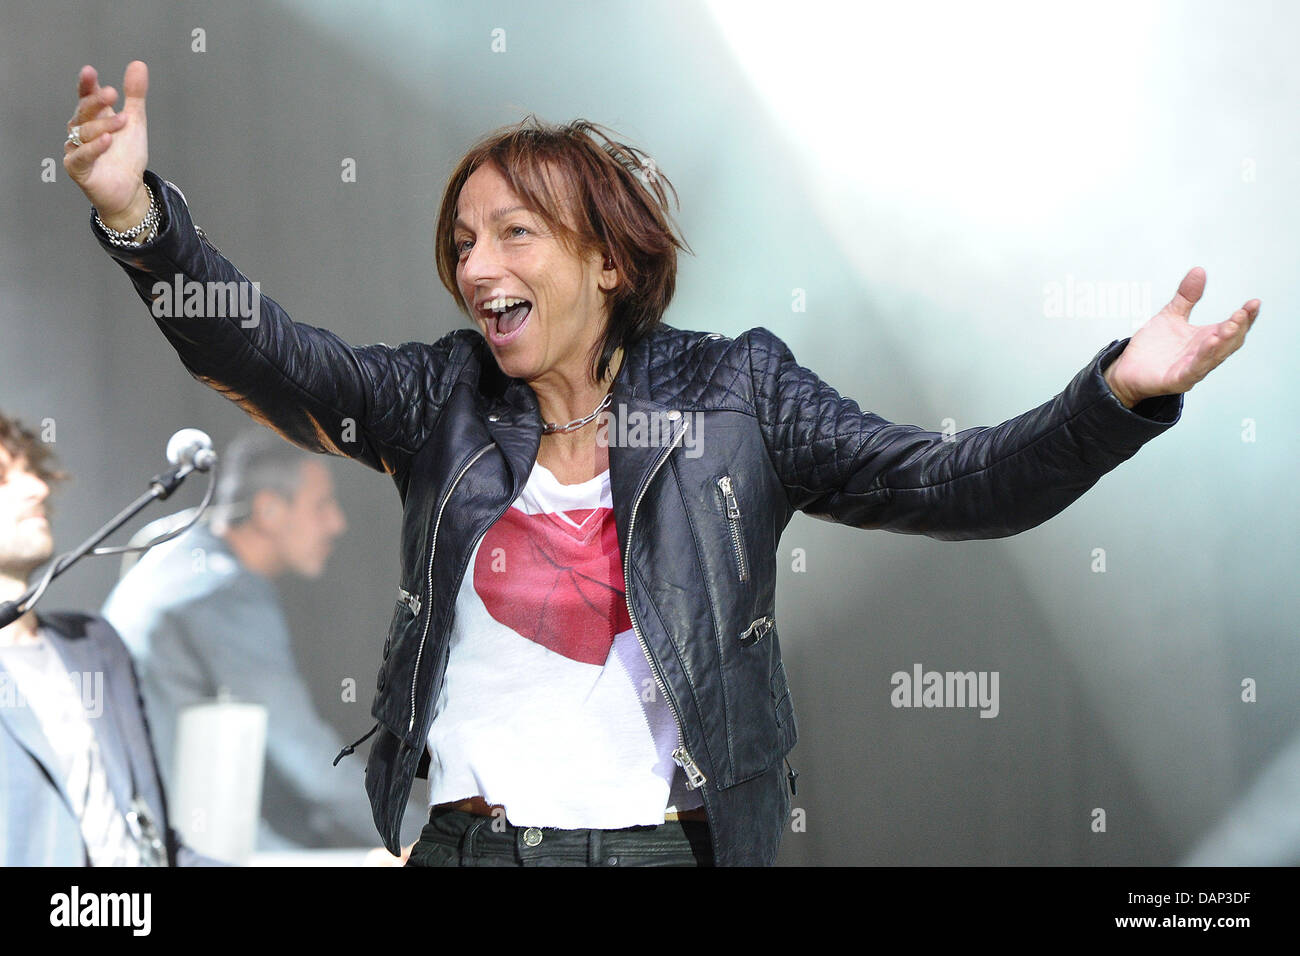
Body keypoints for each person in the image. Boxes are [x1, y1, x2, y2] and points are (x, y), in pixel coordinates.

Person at [63, 61, 1259, 867]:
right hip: (469, 844)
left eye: (514, 233)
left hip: (662, 847)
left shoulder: (736, 391)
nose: (476, 266)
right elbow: (270, 354)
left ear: (609, 262)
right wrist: (139, 222)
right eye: (463, 241)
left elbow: (957, 482)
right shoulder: (438, 396)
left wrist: (1114, 396)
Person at [101, 428, 402, 853]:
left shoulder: (177, 556)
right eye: (321, 506)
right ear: (269, 510)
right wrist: (432, 835)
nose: (338, 523)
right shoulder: (223, 591)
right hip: (180, 849)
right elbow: (311, 767)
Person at [0, 413, 218, 866]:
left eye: (33, 473)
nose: (37, 488)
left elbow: (165, 852)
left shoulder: (95, 644)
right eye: (3, 478)